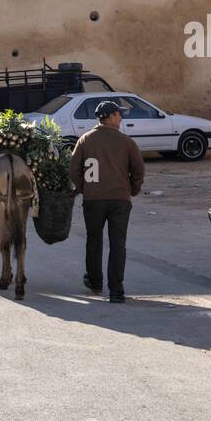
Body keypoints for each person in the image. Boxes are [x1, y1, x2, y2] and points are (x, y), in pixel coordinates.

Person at [68, 98, 145, 303]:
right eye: (118, 114)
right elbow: (139, 170)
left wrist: (84, 188)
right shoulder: (126, 142)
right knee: (118, 244)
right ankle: (116, 291)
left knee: (94, 240)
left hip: (93, 199)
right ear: (110, 117)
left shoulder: (85, 140)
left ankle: (95, 282)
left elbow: (74, 170)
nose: (120, 118)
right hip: (120, 200)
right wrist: (133, 189)